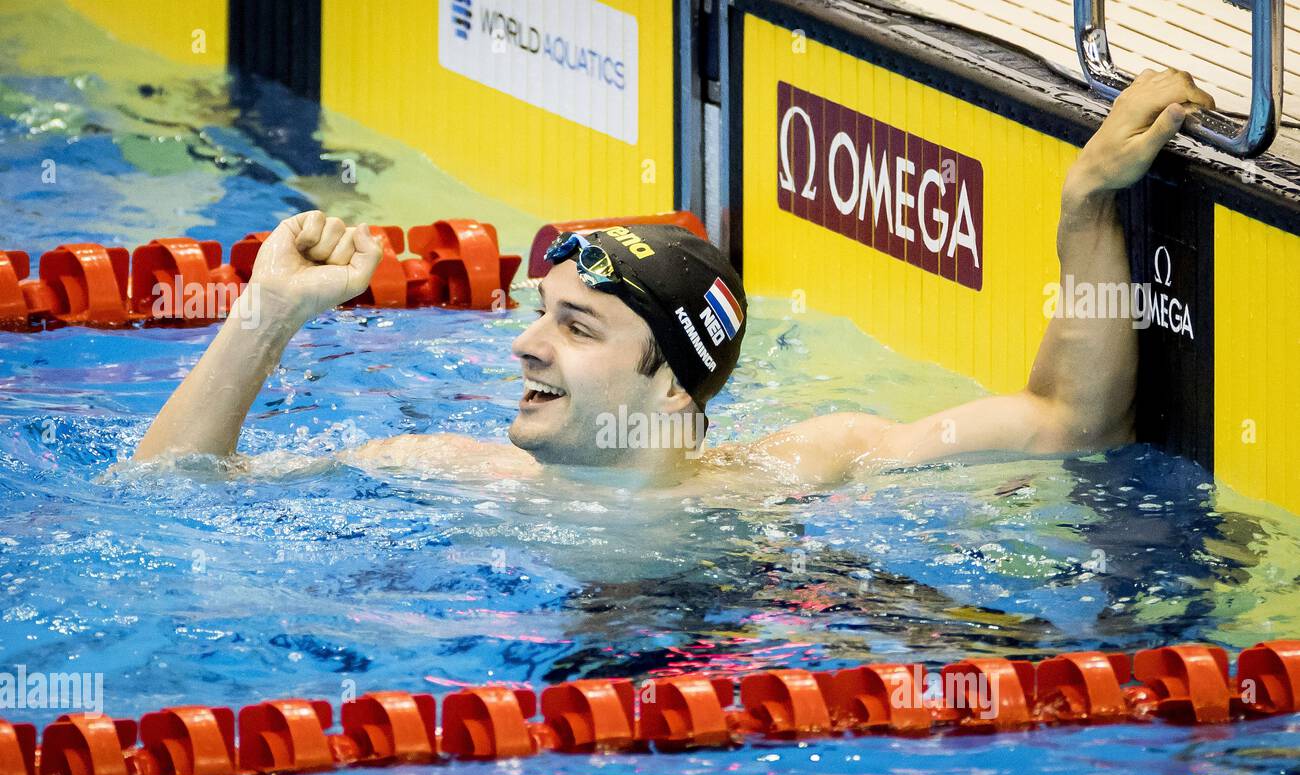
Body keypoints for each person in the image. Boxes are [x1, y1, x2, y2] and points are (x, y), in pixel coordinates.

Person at [132, 69, 1214, 494]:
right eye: (537, 316)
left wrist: (1084, 203)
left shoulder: (804, 468)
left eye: (575, 325)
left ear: (670, 387)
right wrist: (266, 312)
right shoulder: (452, 474)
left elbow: (1071, 418)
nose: (523, 345)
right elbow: (169, 489)